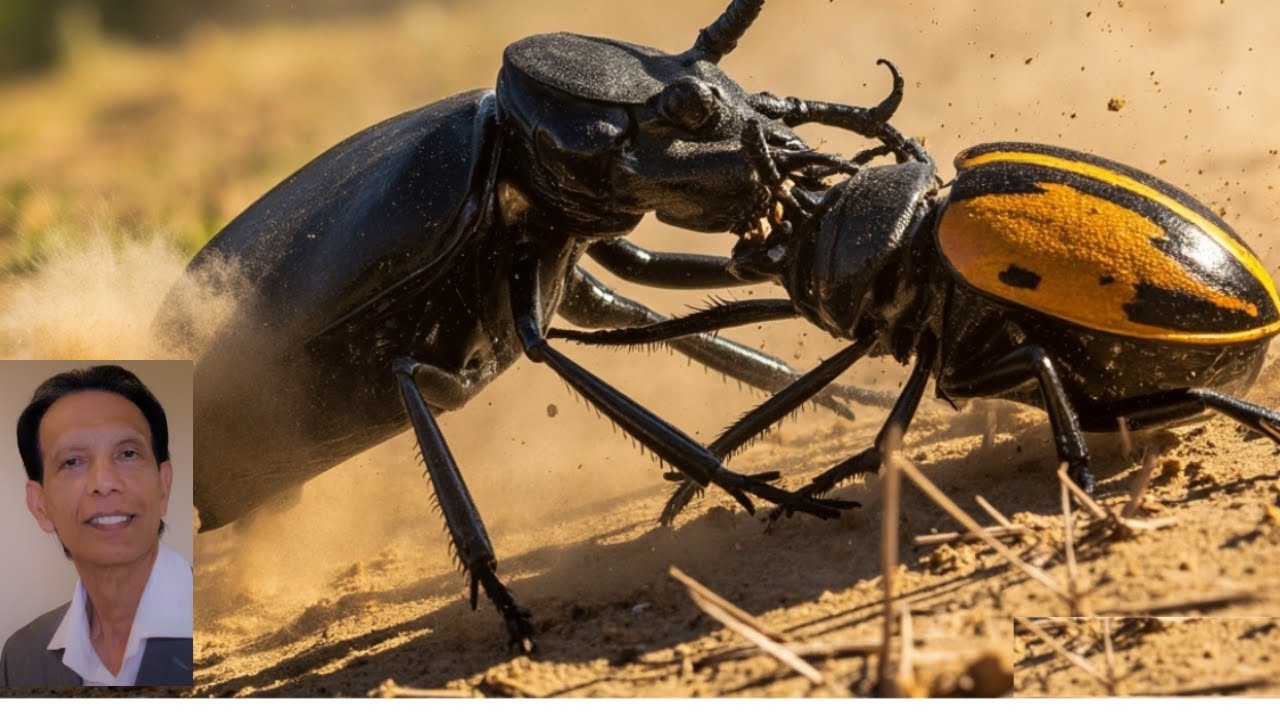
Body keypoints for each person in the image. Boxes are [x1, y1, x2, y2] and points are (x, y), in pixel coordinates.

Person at [0, 365, 193, 687]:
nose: (104, 483)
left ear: (164, 486)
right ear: (40, 506)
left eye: (128, 453)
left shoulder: (232, 616)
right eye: (72, 461)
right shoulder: (20, 659)